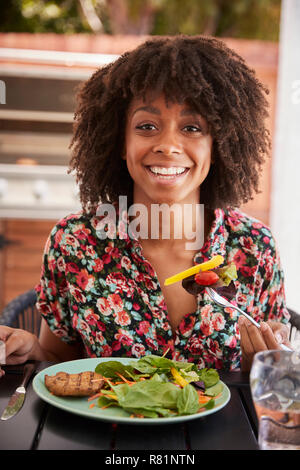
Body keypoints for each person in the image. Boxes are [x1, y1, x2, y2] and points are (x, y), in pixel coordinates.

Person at [0, 35, 291, 374]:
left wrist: (265, 366)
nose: (168, 145)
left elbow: (279, 375)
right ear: (121, 142)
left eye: (192, 127)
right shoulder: (74, 242)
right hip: (102, 427)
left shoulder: (255, 247)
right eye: (147, 126)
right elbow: (61, 363)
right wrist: (28, 349)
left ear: (218, 146)